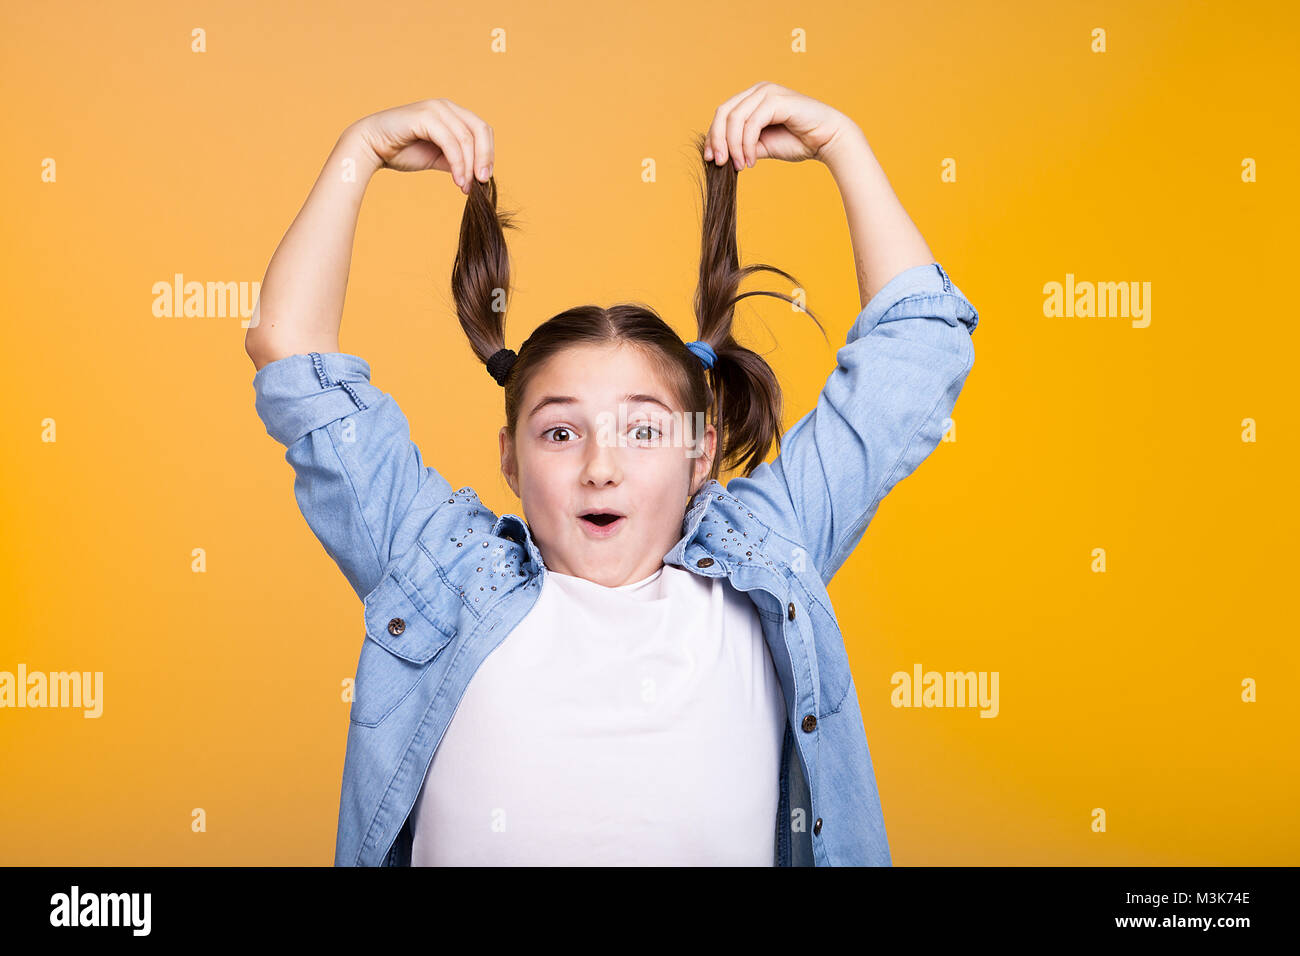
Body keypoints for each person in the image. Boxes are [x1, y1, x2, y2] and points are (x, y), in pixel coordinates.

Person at [246, 83, 980, 866]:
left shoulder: (768, 545)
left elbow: (920, 346)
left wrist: (843, 144)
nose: (601, 468)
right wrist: (357, 152)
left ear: (701, 452)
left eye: (642, 430)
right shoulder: (439, 568)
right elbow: (291, 352)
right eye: (561, 432)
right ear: (509, 457)